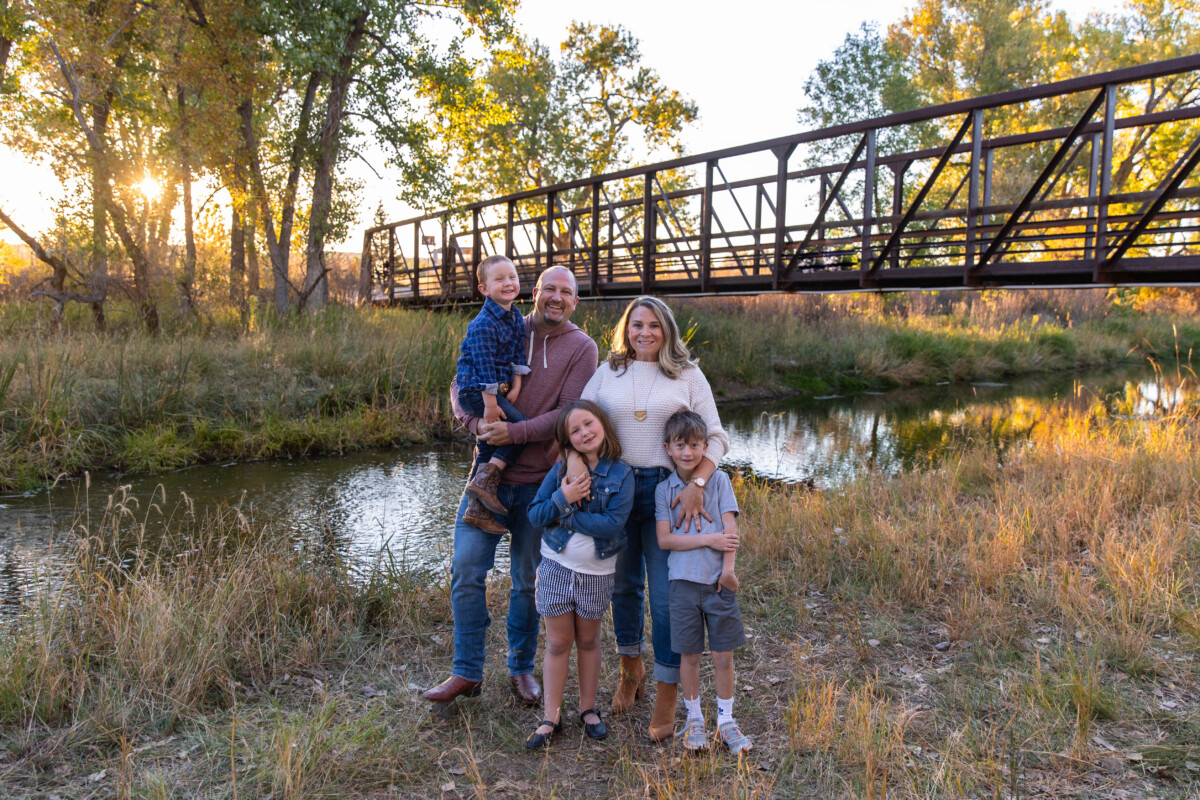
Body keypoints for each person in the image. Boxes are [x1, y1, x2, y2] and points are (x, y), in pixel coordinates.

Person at [423, 265, 599, 712]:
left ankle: (521, 668)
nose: (556, 297)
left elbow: (568, 414)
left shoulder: (582, 347)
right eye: (549, 289)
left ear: (575, 301)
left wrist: (514, 433)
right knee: (466, 570)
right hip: (488, 480)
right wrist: (476, 423)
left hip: (540, 486)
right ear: (534, 292)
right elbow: (460, 381)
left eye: (566, 292)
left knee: (527, 582)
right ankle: (467, 672)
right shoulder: (503, 325)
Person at [580, 296, 729, 741]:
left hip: (670, 493)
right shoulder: (607, 371)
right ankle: (631, 670)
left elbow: (717, 437)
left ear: (667, 331)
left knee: (666, 597)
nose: (644, 333)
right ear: (626, 329)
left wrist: (697, 483)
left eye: (654, 326)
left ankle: (667, 690)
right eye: (637, 325)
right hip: (616, 490)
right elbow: (578, 422)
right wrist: (574, 464)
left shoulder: (688, 374)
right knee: (623, 587)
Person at [523, 400, 634, 749]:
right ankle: (551, 717)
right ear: (567, 440)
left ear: (602, 423)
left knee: (588, 640)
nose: (585, 433)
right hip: (556, 566)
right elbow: (534, 514)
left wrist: (565, 514)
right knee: (558, 643)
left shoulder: (622, 474)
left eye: (589, 423)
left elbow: (612, 524)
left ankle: (588, 709)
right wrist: (563, 496)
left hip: (597, 573)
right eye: (575, 430)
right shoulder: (561, 469)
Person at [655, 410, 751, 754]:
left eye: (695, 445)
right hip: (682, 583)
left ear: (705, 447)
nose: (687, 452)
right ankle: (694, 718)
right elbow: (665, 540)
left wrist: (728, 569)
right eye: (680, 445)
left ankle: (726, 721)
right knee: (690, 655)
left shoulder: (720, 481)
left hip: (718, 582)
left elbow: (730, 530)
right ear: (667, 448)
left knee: (723, 656)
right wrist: (708, 539)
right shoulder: (663, 490)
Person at [454, 254, 532, 531]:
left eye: (512, 277)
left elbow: (517, 351)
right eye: (499, 279)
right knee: (520, 430)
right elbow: (484, 367)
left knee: (488, 444)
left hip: (494, 392)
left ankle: (477, 510)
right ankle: (484, 484)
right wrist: (489, 405)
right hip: (476, 392)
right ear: (484, 289)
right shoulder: (483, 324)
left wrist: (517, 383)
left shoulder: (515, 315)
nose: (508, 283)